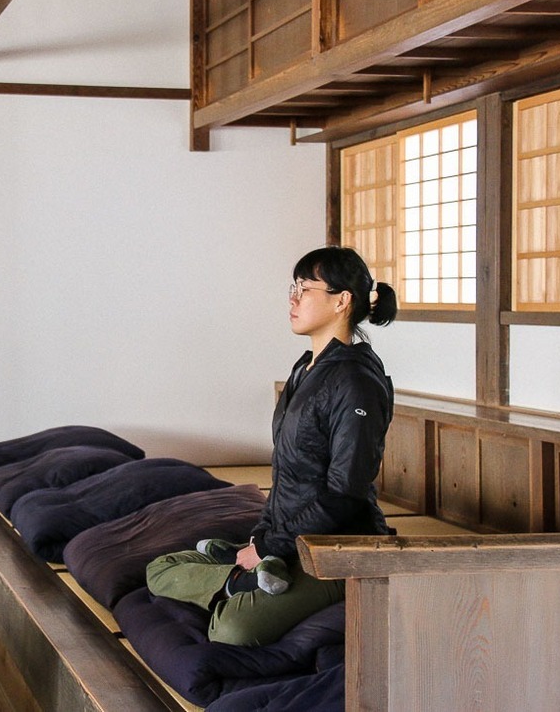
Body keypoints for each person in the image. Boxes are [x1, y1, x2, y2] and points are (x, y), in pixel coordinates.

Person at [146, 245, 397, 647]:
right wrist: (262, 539)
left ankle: (234, 584)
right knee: (160, 567)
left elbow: (344, 493)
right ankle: (238, 578)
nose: (293, 299)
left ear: (342, 301)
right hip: (287, 540)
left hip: (337, 549)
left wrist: (267, 545)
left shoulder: (357, 382)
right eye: (293, 287)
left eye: (306, 288)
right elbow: (286, 476)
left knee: (232, 630)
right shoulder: (305, 368)